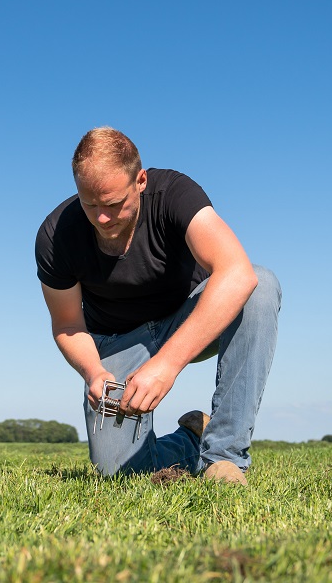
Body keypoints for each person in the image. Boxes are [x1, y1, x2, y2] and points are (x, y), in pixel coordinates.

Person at [35, 127, 280, 485]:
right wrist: (93, 372)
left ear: (141, 181)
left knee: (261, 287)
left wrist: (166, 365)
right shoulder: (56, 236)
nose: (102, 218)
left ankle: (224, 457)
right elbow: (68, 324)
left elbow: (237, 273)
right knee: (119, 473)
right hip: (117, 339)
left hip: (188, 321)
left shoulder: (176, 194)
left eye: (114, 203)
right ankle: (193, 439)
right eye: (90, 204)